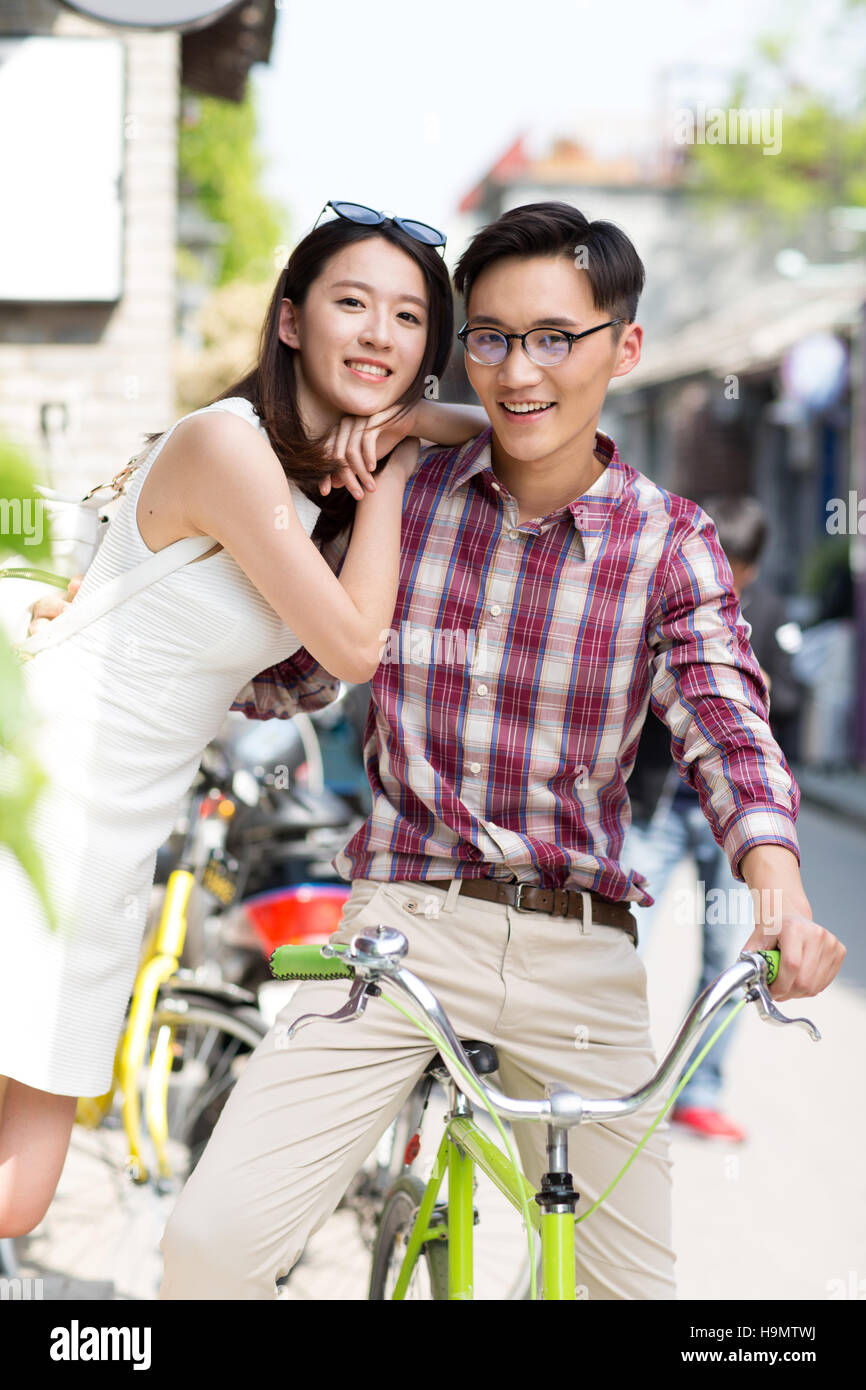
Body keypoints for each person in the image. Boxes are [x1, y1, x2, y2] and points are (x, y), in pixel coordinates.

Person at [35, 203, 845, 1301]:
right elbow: (294, 669)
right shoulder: (404, 496)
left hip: (580, 951)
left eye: (554, 338)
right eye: (492, 338)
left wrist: (776, 888)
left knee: (630, 1293)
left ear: (625, 349)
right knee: (209, 1248)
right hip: (398, 936)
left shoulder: (669, 541)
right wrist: (108, 630)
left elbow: (724, 720)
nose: (519, 370)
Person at [0, 201, 486, 1239]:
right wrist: (398, 467)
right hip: (40, 789)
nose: (379, 334)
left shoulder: (312, 489)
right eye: (351, 303)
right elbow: (353, 646)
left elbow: (496, 428)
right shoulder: (227, 448)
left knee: (20, 1193)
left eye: (408, 318)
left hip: (119, 829)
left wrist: (405, 425)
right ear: (291, 319)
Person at [623, 494, 804, 1141]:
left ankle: (698, 1090)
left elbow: (791, 701)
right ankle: (610, 1080)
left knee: (729, 959)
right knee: (621, 943)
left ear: (750, 569)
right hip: (653, 807)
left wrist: (754, 690)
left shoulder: (771, 614)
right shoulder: (658, 600)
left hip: (729, 823)